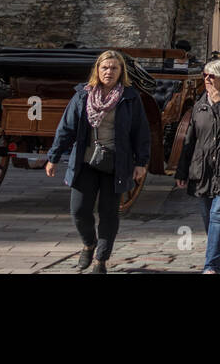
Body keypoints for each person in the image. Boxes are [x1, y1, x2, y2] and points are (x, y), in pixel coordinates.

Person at [45, 50, 149, 273]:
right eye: (105, 67)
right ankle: (89, 243)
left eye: (114, 68)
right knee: (79, 210)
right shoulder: (83, 95)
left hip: (116, 164)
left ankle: (101, 259)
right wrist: (53, 157)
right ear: (97, 70)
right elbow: (66, 128)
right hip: (86, 162)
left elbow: (141, 132)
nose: (109, 71)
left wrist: (141, 162)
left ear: (121, 72)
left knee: (109, 213)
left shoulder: (130, 98)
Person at [175, 59, 220, 273]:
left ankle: (211, 265)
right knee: (208, 217)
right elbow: (190, 139)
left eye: (211, 76)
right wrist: (182, 170)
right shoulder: (200, 102)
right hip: (203, 169)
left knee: (219, 215)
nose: (206, 79)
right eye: (205, 75)